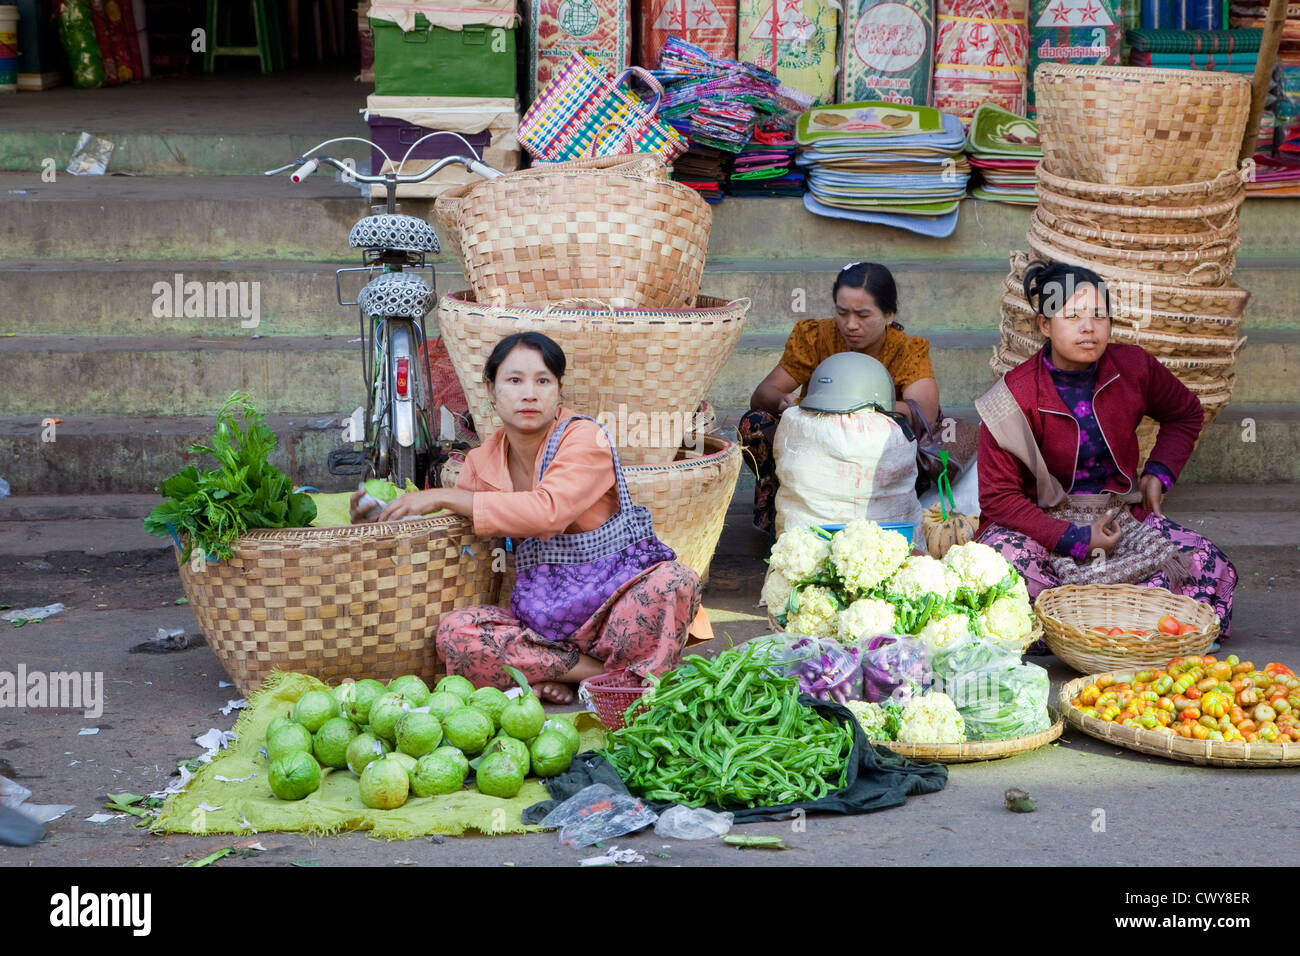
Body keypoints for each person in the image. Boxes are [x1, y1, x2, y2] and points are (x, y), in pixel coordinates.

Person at [350, 331, 703, 703]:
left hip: (616, 611)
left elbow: (547, 513)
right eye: (514, 380)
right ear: (491, 389)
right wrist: (382, 521)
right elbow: (459, 546)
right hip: (543, 621)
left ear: (558, 390)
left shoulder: (584, 438)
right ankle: (601, 676)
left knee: (673, 581)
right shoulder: (480, 463)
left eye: (543, 381)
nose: (529, 393)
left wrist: (445, 495)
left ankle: (580, 675)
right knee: (458, 633)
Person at [974, 260, 1236, 641]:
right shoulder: (1012, 397)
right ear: (1044, 325)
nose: (1089, 327)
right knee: (1003, 570)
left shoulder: (1133, 367)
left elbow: (1185, 414)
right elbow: (998, 498)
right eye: (1073, 316)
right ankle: (1122, 623)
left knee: (1208, 566)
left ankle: (1091, 627)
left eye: (1099, 315)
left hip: (1117, 519)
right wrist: (1074, 538)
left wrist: (1158, 472)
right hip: (1042, 525)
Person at [739, 261, 941, 534]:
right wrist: (782, 402)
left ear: (889, 314)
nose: (851, 325)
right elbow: (763, 394)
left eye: (863, 315)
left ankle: (886, 518)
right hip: (814, 449)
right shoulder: (816, 337)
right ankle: (780, 512)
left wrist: (856, 408)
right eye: (842, 312)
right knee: (754, 423)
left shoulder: (907, 350)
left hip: (872, 456)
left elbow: (924, 412)